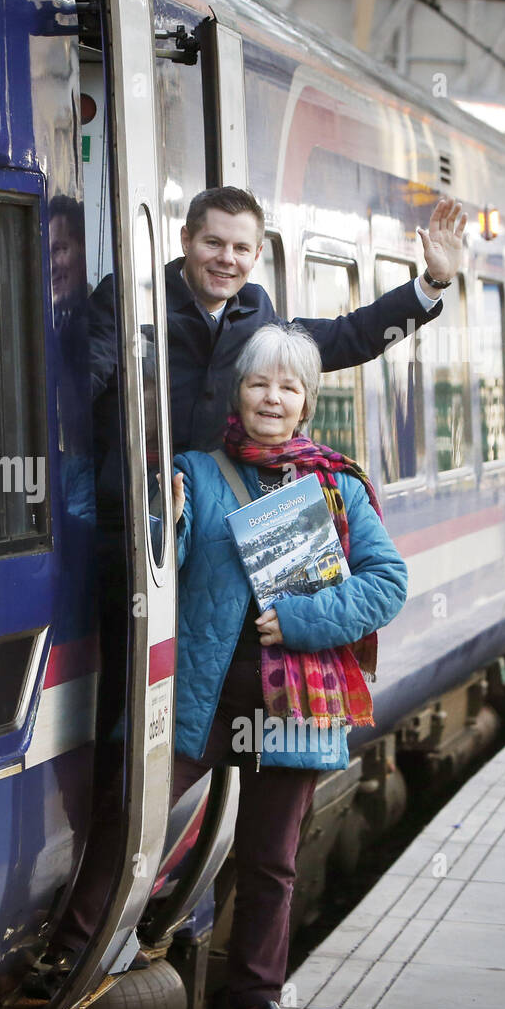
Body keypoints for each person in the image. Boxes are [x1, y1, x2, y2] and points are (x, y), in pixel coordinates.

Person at [89, 185, 464, 748]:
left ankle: (242, 794)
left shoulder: (256, 313)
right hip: (138, 533)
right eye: (213, 242)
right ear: (185, 239)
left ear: (257, 253)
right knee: (131, 710)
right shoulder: (132, 298)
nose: (226, 258)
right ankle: (124, 820)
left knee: (223, 686)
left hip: (223, 536)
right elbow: (80, 383)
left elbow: (348, 337)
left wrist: (429, 285)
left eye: (241, 248)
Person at [166, 322, 406, 1009]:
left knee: (271, 859)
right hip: (203, 690)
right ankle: (88, 951)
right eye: (259, 382)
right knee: (131, 818)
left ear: (306, 402)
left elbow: (386, 584)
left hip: (293, 692)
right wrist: (166, 520)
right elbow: (162, 565)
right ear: (237, 393)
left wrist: (299, 618)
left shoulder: (335, 484)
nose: (272, 397)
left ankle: (254, 1000)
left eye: (288, 386)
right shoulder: (196, 471)